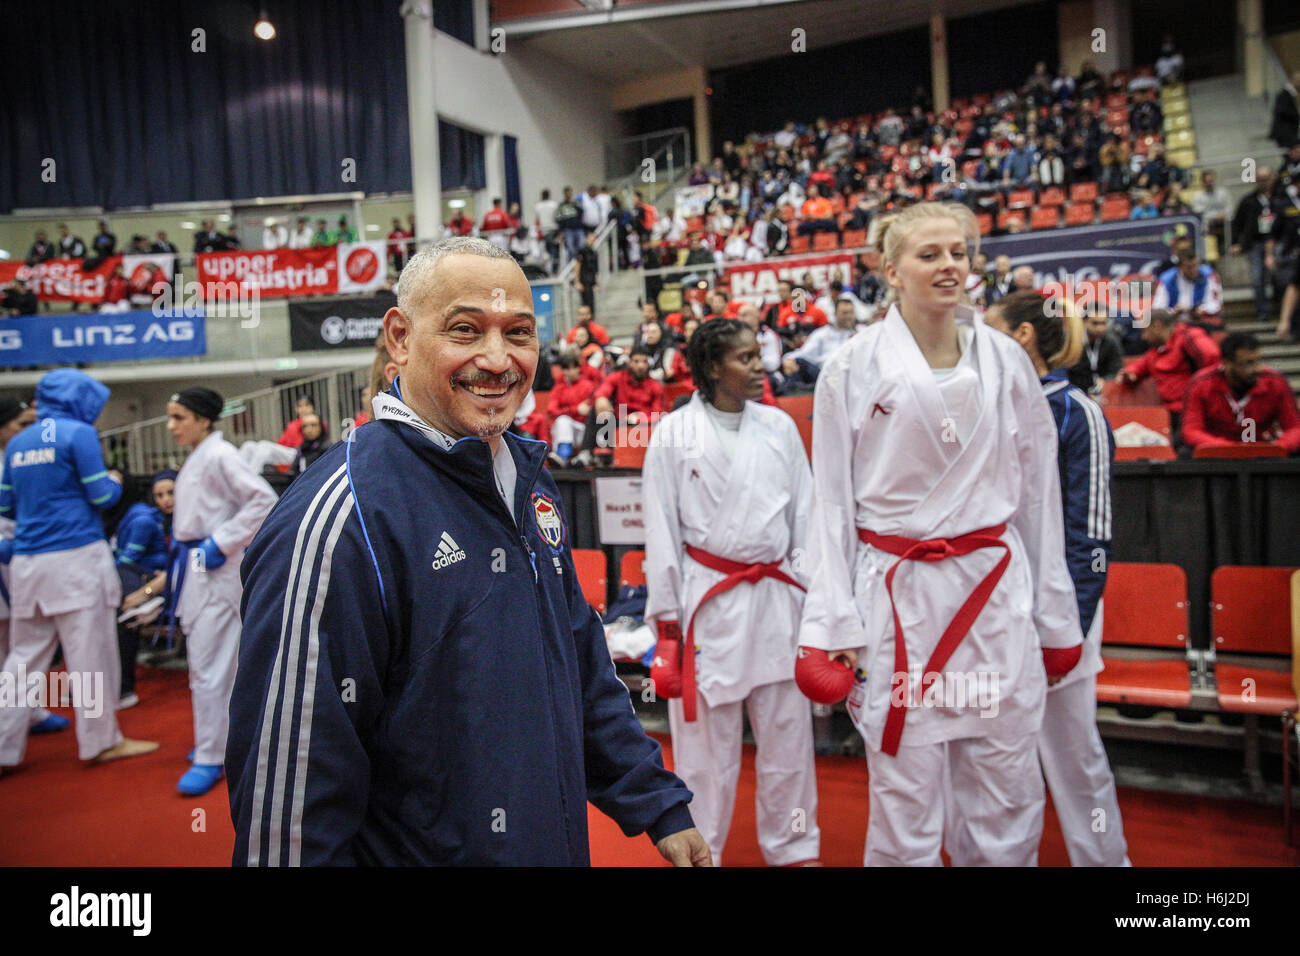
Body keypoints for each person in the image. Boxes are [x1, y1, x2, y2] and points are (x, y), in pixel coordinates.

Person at [227, 236, 708, 865]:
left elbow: (582, 663)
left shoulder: (527, 482)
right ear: (399, 338)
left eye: (518, 333)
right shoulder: (340, 520)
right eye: (465, 330)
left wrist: (654, 801)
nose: (497, 358)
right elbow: (288, 810)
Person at [794, 202, 1082, 866]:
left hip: (993, 597)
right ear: (889, 269)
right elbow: (830, 503)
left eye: (959, 252)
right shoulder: (852, 366)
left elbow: (1038, 496)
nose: (949, 265)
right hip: (902, 605)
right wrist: (830, 624)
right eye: (930, 255)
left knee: (1006, 785)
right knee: (906, 794)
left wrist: (1056, 616)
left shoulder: (1008, 359)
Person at [643, 318, 821, 867]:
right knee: (704, 757)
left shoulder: (779, 428)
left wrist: (819, 616)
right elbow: (661, 535)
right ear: (713, 368)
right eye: (745, 357)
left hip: (777, 602)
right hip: (708, 606)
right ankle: (703, 851)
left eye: (757, 354)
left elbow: (806, 523)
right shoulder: (673, 434)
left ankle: (794, 848)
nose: (759, 364)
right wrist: (666, 629)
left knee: (789, 746)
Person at [980, 291, 1129, 866]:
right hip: (993, 610)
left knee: (1072, 753)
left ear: (1018, 338)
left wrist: (1068, 629)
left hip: (1061, 613)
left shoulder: (1078, 412)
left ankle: (1106, 862)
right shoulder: (985, 406)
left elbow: (1090, 536)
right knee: (992, 757)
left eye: (989, 329)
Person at [0, 371, 159, 775]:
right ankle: (101, 742)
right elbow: (103, 496)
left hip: (26, 565)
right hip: (75, 560)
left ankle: (3, 748)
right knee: (90, 657)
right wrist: (115, 479)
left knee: (22, 660)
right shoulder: (78, 434)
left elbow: (5, 508)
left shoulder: (17, 442)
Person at [165, 387, 277, 796]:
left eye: (179, 417)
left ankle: (213, 755)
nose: (171, 426)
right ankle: (217, 742)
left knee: (210, 666)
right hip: (198, 563)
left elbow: (263, 500)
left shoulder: (220, 455)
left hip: (214, 565)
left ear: (203, 419)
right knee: (209, 663)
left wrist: (222, 542)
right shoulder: (203, 456)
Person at [0, 398, 63, 735]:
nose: (29, 431)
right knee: (16, 652)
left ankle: (30, 711)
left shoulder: (28, 457)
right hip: (12, 559)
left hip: (21, 563)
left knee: (19, 646)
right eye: (21, 424)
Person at [113, 470, 176, 709]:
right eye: (159, 495)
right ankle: (114, 686)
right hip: (151, 580)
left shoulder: (194, 520)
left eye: (171, 493)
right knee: (116, 607)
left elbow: (193, 565)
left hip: (176, 586)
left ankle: (123, 688)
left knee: (121, 610)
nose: (166, 500)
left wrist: (147, 592)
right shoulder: (156, 519)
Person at [1181, 332, 1300, 455]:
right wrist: (1228, 448)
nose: (1256, 369)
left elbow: (1295, 427)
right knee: (1185, 452)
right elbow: (1191, 430)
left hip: (1264, 449)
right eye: (1248, 363)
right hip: (1217, 451)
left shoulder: (1275, 382)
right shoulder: (1201, 384)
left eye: (1257, 361)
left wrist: (1279, 446)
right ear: (1226, 362)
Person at [1119, 309, 1220, 446]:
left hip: (1193, 411)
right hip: (1170, 414)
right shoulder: (1156, 351)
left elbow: (1212, 360)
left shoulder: (1189, 337)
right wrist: (1130, 373)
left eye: (1145, 331)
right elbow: (1139, 367)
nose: (1144, 337)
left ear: (1157, 326)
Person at [570, 345, 666, 468]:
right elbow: (603, 390)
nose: (640, 366)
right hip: (617, 427)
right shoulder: (618, 377)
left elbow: (657, 415)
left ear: (649, 364)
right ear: (629, 362)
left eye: (644, 362)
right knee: (596, 410)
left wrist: (638, 419)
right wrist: (601, 399)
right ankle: (586, 454)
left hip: (642, 431)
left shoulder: (655, 386)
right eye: (636, 361)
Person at [1230, 167, 1280, 323]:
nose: (1264, 182)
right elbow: (1236, 223)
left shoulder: (1281, 198)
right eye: (1260, 179)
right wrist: (1236, 243)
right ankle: (1262, 312)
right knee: (1257, 278)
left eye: (1266, 178)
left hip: (1279, 241)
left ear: (1273, 178)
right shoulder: (1248, 200)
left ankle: (1282, 311)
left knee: (1279, 277)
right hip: (1255, 243)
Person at [780, 298, 860, 390]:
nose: (848, 317)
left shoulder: (861, 333)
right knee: (797, 362)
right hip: (824, 373)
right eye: (844, 313)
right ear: (835, 313)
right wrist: (788, 358)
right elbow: (805, 353)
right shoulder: (822, 333)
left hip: (852, 374)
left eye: (851, 313)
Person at [1151, 247, 1223, 329]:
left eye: (1196, 265)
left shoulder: (1209, 275)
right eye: (1189, 267)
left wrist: (1201, 310)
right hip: (1175, 325)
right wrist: (1173, 312)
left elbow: (1216, 304)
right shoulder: (1167, 280)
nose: (1194, 270)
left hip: (1202, 322)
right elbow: (1158, 309)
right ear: (1179, 267)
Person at [547, 354, 597, 467]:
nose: (571, 371)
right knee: (563, 421)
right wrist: (575, 410)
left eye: (574, 367)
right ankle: (562, 456)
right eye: (567, 368)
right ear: (563, 370)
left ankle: (585, 457)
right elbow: (551, 410)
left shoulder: (588, 386)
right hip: (565, 431)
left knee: (565, 420)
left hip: (584, 433)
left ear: (579, 368)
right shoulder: (558, 389)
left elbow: (593, 411)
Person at [1065, 310, 1125, 395]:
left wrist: (1106, 380)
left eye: (1103, 323)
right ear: (1084, 322)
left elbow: (1116, 369)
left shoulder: (1111, 341)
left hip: (1102, 392)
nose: (1099, 328)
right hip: (1074, 391)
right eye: (1095, 323)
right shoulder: (1072, 341)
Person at [1269, 71, 1300, 150]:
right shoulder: (1285, 94)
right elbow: (1281, 110)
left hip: (1288, 133)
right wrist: (1296, 115)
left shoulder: (1289, 94)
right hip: (1285, 133)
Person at [574, 231, 599, 313]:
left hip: (591, 280)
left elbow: (594, 269)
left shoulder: (593, 252)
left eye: (594, 239)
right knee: (585, 303)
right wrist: (577, 281)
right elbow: (578, 265)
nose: (592, 240)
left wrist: (597, 282)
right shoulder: (582, 250)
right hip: (583, 280)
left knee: (591, 303)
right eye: (591, 238)